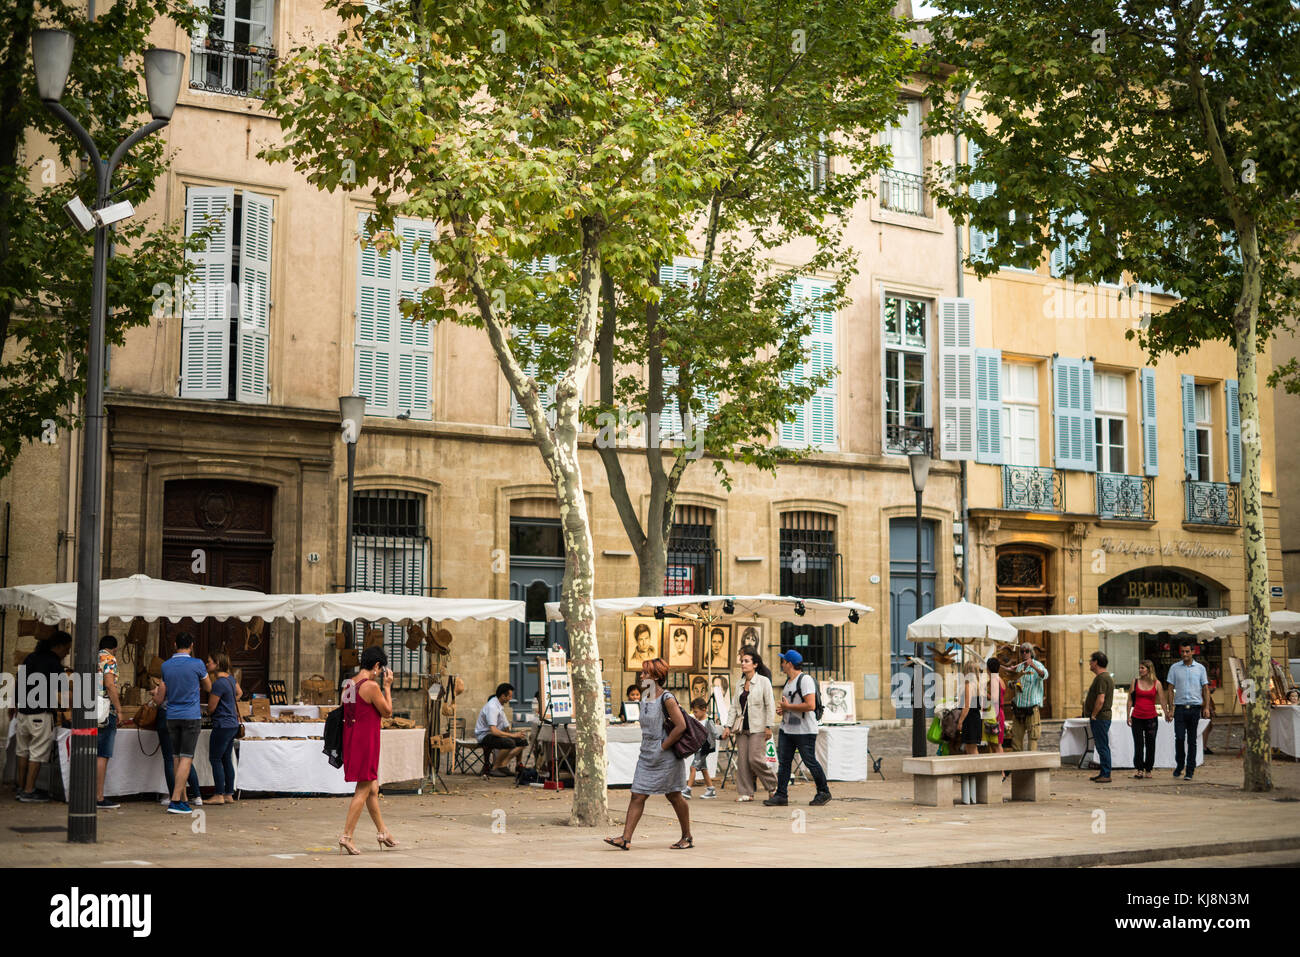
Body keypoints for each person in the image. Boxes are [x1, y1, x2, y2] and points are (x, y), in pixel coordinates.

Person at [605, 658, 692, 850]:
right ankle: (625, 839)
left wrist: (662, 746)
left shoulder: (666, 698)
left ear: (656, 676)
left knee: (674, 795)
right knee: (637, 794)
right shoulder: (645, 696)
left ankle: (687, 836)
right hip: (646, 754)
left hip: (666, 755)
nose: (641, 676)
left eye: (645, 673)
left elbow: (681, 726)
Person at [339, 646, 398, 854]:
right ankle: (347, 835)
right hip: (366, 741)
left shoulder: (348, 685)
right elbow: (388, 712)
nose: (382, 674)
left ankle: (383, 831)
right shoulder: (371, 686)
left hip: (352, 740)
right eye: (381, 670)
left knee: (372, 788)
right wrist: (388, 687)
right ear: (376, 666)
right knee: (363, 789)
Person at [152, 632, 212, 814]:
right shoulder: (198, 664)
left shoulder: (166, 666)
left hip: (172, 715)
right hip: (191, 716)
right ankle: (176, 800)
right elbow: (209, 687)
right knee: (187, 757)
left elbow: (161, 697)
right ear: (192, 645)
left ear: (174, 644)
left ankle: (183, 799)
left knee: (176, 757)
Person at [765, 650, 831, 807]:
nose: (781, 664)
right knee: (785, 762)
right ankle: (781, 795)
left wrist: (788, 707)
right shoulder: (789, 682)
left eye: (783, 662)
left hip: (804, 730)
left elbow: (810, 705)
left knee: (809, 761)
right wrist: (784, 710)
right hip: (787, 729)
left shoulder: (805, 680)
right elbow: (793, 705)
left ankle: (823, 791)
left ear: (789, 664)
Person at [15, 631, 72, 803]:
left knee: (23, 751)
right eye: (67, 649)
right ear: (59, 646)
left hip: (23, 712)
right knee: (37, 753)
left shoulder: (31, 657)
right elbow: (62, 689)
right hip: (40, 713)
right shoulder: (53, 663)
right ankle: (29, 790)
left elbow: (19, 681)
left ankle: (21, 787)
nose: (67, 653)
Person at [721, 649, 777, 802]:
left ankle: (773, 786)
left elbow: (769, 705)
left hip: (758, 728)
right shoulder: (740, 683)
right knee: (743, 761)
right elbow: (733, 707)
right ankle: (746, 792)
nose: (743, 664)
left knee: (754, 759)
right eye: (742, 661)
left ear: (755, 664)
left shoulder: (763, 682)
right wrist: (727, 726)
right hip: (741, 728)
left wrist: (768, 726)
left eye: (746, 661)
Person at [1163, 639, 1210, 780]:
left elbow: (1205, 688)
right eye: (1182, 651)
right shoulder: (1174, 668)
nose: (1185, 654)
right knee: (1179, 738)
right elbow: (1170, 689)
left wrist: (1206, 707)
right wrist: (1171, 708)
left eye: (1187, 651)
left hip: (1195, 708)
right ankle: (1179, 764)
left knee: (1192, 740)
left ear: (1193, 652)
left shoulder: (1200, 668)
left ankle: (1190, 770)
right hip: (1180, 709)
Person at [205, 652, 242, 804]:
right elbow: (239, 693)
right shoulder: (231, 679)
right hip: (232, 723)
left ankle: (219, 794)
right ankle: (228, 793)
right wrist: (228, 704)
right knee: (226, 757)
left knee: (215, 758)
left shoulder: (219, 683)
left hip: (222, 724)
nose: (207, 664)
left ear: (217, 664)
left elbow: (211, 707)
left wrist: (212, 709)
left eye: (209, 661)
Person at [95, 636, 124, 810]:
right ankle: (99, 796)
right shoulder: (109, 658)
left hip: (87, 709)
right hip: (104, 711)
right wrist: (119, 709)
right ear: (114, 648)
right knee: (102, 754)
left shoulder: (91, 657)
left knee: (90, 751)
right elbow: (110, 684)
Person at [476, 682, 528, 777]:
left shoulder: (499, 706)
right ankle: (495, 768)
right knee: (509, 743)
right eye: (509, 696)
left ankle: (503, 765)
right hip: (485, 736)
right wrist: (513, 736)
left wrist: (517, 735)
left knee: (522, 741)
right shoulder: (492, 707)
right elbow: (494, 731)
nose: (511, 699)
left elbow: (505, 726)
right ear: (503, 696)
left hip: (493, 734)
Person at [1009, 642, 1048, 751]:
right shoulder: (1019, 667)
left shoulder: (1038, 665)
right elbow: (1011, 683)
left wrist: (1034, 667)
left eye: (1027, 651)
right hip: (1019, 707)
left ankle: (1031, 764)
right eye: (1022, 651)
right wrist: (1012, 684)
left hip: (1032, 708)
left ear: (1031, 653)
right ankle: (1017, 765)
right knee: (1016, 738)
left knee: (1033, 737)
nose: (1024, 653)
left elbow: (1045, 675)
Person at [1127, 659, 1162, 779]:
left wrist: (1167, 712)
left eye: (1142, 668)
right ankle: (1139, 769)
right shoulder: (1135, 682)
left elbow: (1162, 699)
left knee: (1150, 744)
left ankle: (1149, 769)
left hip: (1151, 718)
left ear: (1149, 669)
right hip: (1137, 716)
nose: (1140, 670)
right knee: (1138, 744)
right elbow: (1130, 699)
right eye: (1139, 668)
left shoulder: (1157, 683)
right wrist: (1128, 715)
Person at [1085, 650, 1114, 784]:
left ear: (1096, 662)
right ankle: (1103, 772)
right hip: (1102, 717)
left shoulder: (1102, 678)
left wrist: (1094, 715)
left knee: (1102, 746)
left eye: (1091, 660)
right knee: (1101, 745)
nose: (1089, 663)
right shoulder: (1104, 677)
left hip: (1100, 717)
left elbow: (1100, 699)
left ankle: (1106, 773)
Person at [682, 697, 717, 800]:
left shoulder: (708, 721)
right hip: (699, 748)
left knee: (693, 767)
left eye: (696, 712)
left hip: (704, 748)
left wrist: (721, 736)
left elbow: (714, 733)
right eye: (693, 712)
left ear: (704, 709)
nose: (695, 714)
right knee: (703, 769)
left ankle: (688, 789)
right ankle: (711, 789)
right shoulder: (696, 720)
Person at [956, 657, 984, 756]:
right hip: (976, 718)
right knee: (970, 747)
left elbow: (966, 706)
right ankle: (974, 770)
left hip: (970, 719)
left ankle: (977, 770)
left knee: (971, 749)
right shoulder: (978, 684)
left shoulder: (968, 685)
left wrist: (960, 721)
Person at [984, 657, 1006, 754]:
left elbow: (994, 699)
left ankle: (1002, 769)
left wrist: (983, 693)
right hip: (999, 712)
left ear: (988, 668)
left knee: (996, 745)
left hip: (995, 714)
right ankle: (1000, 768)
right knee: (995, 744)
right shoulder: (1000, 679)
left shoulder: (993, 680)